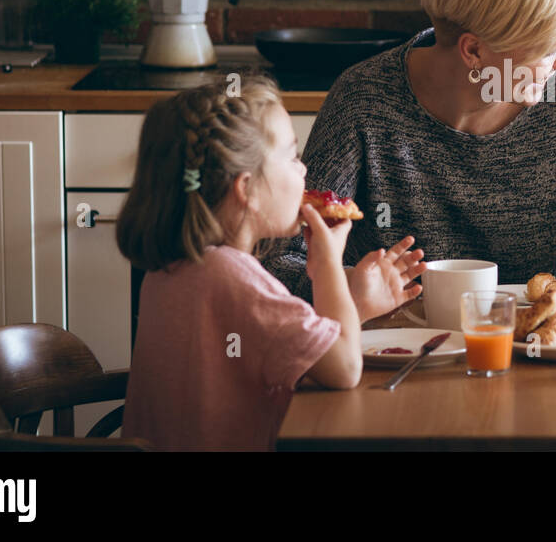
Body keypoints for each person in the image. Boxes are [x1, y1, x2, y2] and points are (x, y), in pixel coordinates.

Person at [265, 0, 556, 294]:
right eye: (547, 48)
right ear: (474, 50)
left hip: (525, 342)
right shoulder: (364, 99)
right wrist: (353, 285)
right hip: (387, 343)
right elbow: (280, 259)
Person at [115, 77, 424, 451]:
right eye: (293, 158)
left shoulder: (174, 268)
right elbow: (343, 370)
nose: (305, 171)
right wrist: (327, 262)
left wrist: (355, 307)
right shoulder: (234, 277)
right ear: (246, 190)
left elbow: (294, 361)